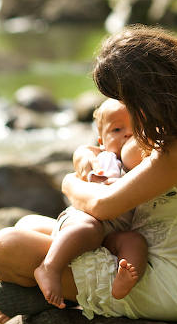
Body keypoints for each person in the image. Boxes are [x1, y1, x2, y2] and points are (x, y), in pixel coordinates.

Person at [0, 25, 177, 324]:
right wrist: (86, 155)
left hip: (160, 280)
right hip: (124, 246)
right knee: (28, 224)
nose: (128, 109)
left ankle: (44, 293)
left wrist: (68, 182)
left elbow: (103, 205)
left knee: (6, 248)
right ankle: (48, 293)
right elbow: (112, 155)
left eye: (128, 98)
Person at [33, 98, 149, 311]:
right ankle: (50, 267)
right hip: (84, 220)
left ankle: (125, 280)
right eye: (117, 129)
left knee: (135, 242)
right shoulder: (104, 159)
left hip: (114, 234)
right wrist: (94, 171)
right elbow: (90, 171)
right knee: (89, 228)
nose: (127, 134)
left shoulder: (142, 164)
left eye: (136, 128)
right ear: (101, 141)